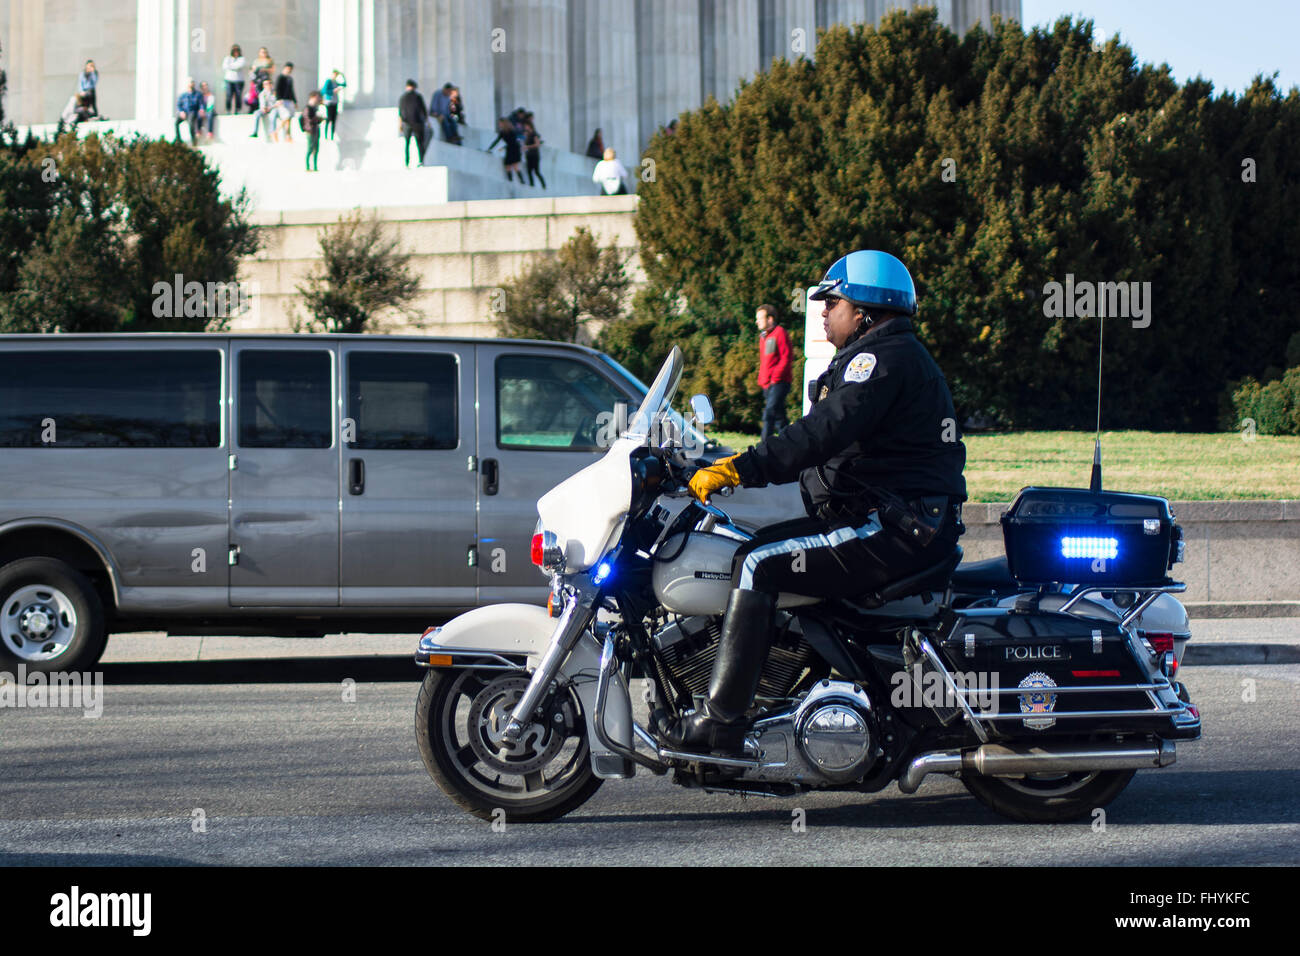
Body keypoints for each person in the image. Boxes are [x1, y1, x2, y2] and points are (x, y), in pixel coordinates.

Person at [654, 250, 967, 755]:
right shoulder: (883, 355)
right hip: (888, 517)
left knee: (757, 563)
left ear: (864, 310)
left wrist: (740, 468)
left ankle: (722, 724)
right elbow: (825, 450)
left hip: (898, 526)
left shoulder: (882, 360)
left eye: (833, 300)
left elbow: (821, 433)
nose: (823, 311)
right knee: (748, 543)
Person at [755, 304, 792, 440]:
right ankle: (790, 442)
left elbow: (786, 357)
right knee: (779, 417)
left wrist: (775, 377)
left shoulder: (779, 332)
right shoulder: (763, 337)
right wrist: (763, 380)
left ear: (770, 319)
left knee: (769, 413)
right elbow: (766, 361)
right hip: (767, 384)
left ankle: (764, 445)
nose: (757, 321)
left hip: (779, 382)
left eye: (760, 318)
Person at [398, 80, 429, 167]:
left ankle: (407, 162)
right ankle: (421, 161)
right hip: (417, 123)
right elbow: (424, 111)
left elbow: (400, 113)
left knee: (407, 144)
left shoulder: (403, 97)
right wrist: (427, 122)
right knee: (419, 143)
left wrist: (400, 125)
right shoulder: (418, 97)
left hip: (407, 123)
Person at [487, 117, 524, 182]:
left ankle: (521, 181)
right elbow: (497, 141)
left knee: (515, 167)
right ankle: (510, 181)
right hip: (510, 149)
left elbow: (514, 141)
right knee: (508, 166)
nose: (499, 125)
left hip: (514, 149)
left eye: (500, 123)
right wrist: (490, 148)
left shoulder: (511, 131)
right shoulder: (503, 132)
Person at [174, 78, 204, 145]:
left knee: (191, 123)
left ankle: (193, 140)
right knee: (176, 122)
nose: (191, 84)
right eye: (190, 82)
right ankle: (178, 139)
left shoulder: (198, 94)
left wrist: (201, 109)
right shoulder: (183, 95)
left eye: (192, 82)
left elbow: (201, 104)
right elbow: (179, 105)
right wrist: (181, 111)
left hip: (193, 112)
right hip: (184, 112)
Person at [320, 69, 346, 139]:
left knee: (334, 119)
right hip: (329, 102)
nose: (335, 76)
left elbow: (344, 84)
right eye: (335, 74)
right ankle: (326, 136)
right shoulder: (328, 81)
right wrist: (333, 91)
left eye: (336, 75)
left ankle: (332, 136)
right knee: (329, 118)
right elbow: (323, 91)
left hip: (335, 102)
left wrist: (343, 76)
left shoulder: (335, 82)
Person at [274, 62, 297, 141]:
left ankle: (288, 135)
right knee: (286, 116)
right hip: (282, 100)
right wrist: (278, 99)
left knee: (289, 119)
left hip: (289, 100)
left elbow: (292, 90)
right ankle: (276, 131)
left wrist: (295, 101)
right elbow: (277, 89)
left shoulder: (290, 78)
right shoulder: (280, 77)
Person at [302, 91, 323, 171]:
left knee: (316, 149)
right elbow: (307, 119)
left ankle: (315, 166)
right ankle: (307, 166)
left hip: (315, 129)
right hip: (310, 131)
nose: (318, 99)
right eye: (317, 97)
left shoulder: (315, 107)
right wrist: (317, 118)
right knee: (310, 148)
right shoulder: (308, 108)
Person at [223, 45, 246, 112]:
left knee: (238, 95)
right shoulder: (227, 58)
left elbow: (239, 66)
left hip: (239, 80)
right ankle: (228, 110)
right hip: (229, 79)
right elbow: (224, 67)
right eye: (234, 50)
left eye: (237, 50)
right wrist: (233, 66)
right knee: (229, 95)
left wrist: (230, 66)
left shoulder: (242, 59)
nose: (236, 52)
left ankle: (237, 110)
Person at [523, 120, 545, 188]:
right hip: (529, 154)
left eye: (526, 126)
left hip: (534, 154)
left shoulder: (534, 134)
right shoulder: (527, 134)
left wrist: (528, 146)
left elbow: (537, 144)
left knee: (536, 171)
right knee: (529, 171)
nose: (525, 127)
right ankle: (532, 185)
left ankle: (543, 185)